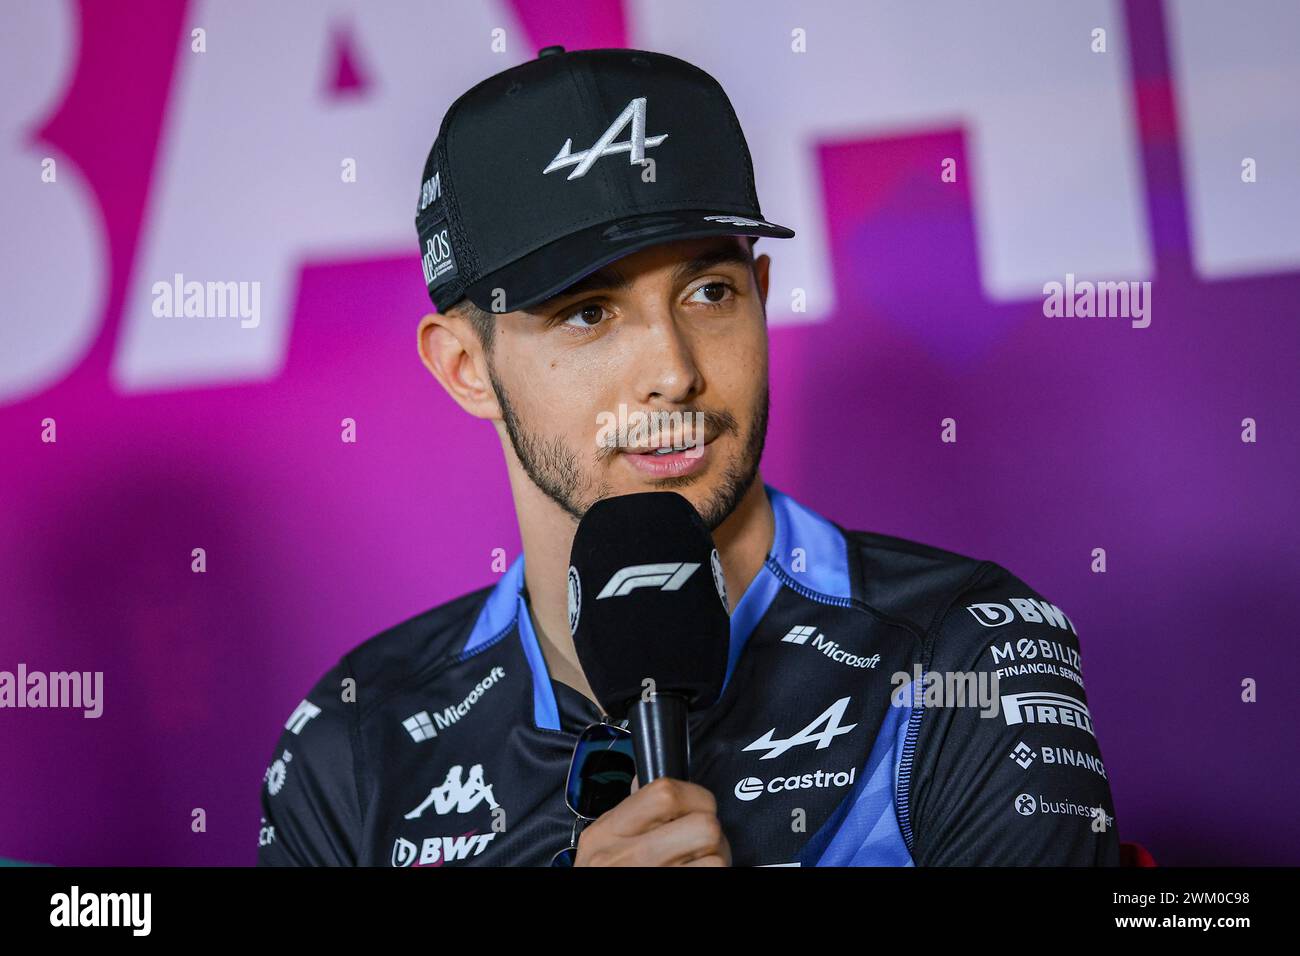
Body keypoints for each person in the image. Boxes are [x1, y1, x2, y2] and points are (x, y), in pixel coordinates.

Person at [256, 46, 1118, 867]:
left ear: (763, 295)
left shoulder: (962, 653)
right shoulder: (358, 738)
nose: (675, 372)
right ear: (465, 367)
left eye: (710, 292)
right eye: (588, 313)